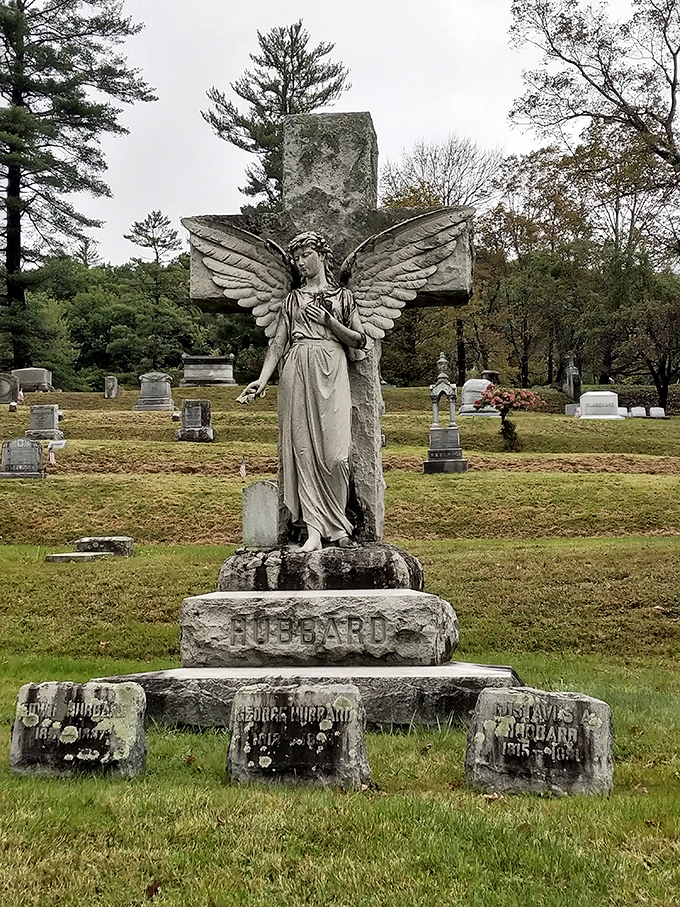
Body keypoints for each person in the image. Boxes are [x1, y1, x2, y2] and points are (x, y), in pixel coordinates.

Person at [239, 231, 366, 552]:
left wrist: (328, 321)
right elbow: (278, 344)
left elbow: (359, 339)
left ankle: (338, 526)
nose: (299, 264)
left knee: (336, 456)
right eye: (295, 259)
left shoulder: (343, 298)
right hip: (297, 368)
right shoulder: (292, 300)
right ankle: (312, 531)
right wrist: (263, 378)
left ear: (321, 255)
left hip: (332, 365)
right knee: (303, 452)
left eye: (305, 256)